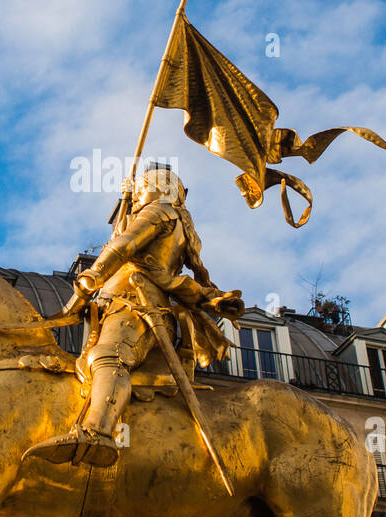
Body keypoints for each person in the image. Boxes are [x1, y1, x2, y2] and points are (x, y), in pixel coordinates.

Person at [24, 165, 243, 467]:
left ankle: (96, 433)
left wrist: (94, 274)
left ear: (154, 187)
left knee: (110, 357)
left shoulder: (160, 212)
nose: (139, 193)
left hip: (137, 306)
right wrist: (125, 201)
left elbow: (124, 245)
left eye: (141, 188)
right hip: (122, 303)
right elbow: (125, 239)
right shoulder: (174, 222)